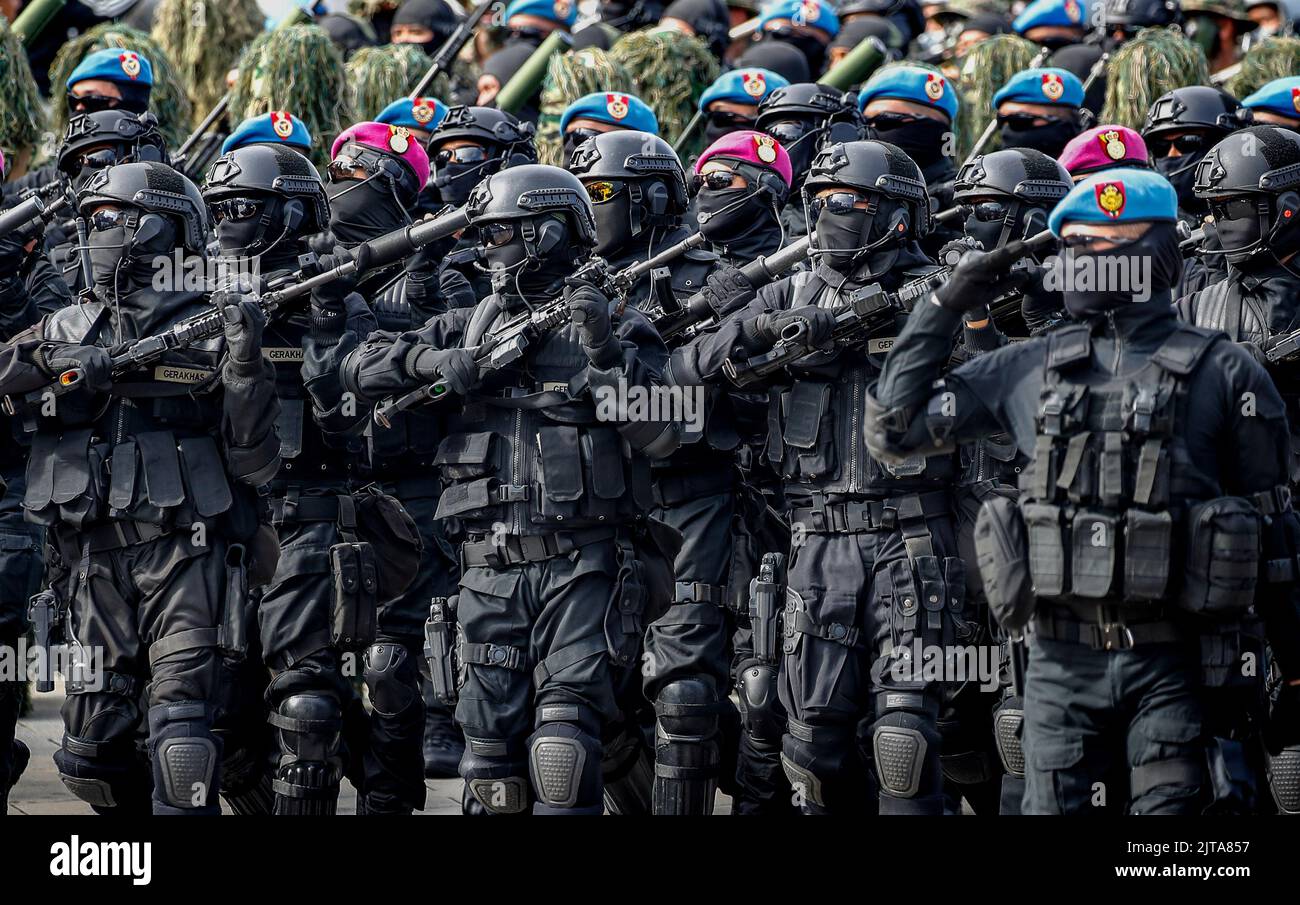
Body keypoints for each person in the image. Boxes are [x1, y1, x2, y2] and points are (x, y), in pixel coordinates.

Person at [865, 166, 1300, 813]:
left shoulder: (1223, 370)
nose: (1098, 261)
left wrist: (1290, 667)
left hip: (1178, 668)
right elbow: (894, 427)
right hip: (1059, 668)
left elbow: (1275, 536)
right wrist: (945, 302)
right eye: (1083, 246)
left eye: (1115, 242)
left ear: (1157, 253)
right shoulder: (1028, 366)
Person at [340, 164, 681, 814]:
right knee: (491, 763)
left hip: (583, 569)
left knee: (563, 747)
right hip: (487, 574)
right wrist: (434, 363)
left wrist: (604, 351)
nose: (486, 250)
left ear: (547, 232)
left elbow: (663, 432)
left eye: (499, 235)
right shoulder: (466, 325)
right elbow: (360, 366)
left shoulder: (615, 324)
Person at [670, 140, 959, 814]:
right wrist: (760, 326)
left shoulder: (938, 286)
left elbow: (990, 358)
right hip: (816, 545)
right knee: (811, 746)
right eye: (822, 201)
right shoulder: (794, 284)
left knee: (903, 737)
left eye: (849, 202)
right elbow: (684, 368)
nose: (831, 215)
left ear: (894, 214)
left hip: (912, 540)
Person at [0, 160, 280, 814]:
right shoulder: (68, 324)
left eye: (108, 220)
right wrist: (52, 360)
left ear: (159, 228)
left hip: (187, 555)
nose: (94, 233)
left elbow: (256, 459)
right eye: (90, 220)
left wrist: (244, 364)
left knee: (182, 736)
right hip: (93, 565)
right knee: (90, 755)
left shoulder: (212, 322)